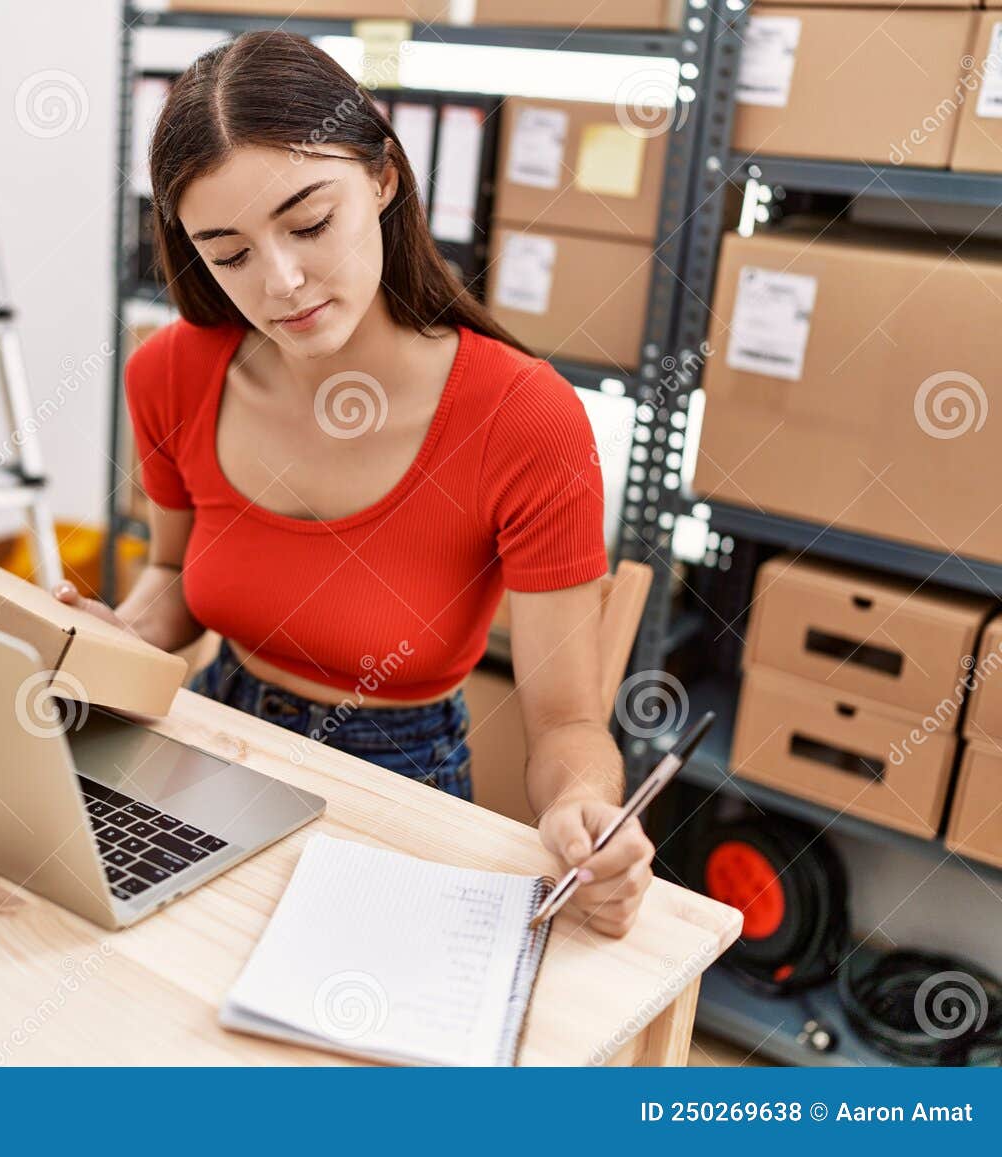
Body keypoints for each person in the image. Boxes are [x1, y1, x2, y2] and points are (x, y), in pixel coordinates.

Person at [56, 31, 653, 937]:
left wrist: (585, 809)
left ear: (382, 177)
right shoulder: (170, 373)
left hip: (398, 777)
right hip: (217, 736)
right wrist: (117, 639)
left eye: (307, 224)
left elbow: (568, 722)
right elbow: (176, 581)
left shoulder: (526, 418)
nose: (282, 281)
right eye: (229, 252)